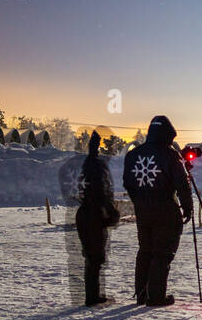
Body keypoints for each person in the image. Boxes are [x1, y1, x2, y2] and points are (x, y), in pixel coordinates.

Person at [122, 115, 193, 306]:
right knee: (162, 253)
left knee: (145, 251)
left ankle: (142, 294)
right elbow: (181, 184)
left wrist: (139, 200)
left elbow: (127, 182)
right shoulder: (170, 155)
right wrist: (187, 206)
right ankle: (156, 296)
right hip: (166, 210)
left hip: (143, 212)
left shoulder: (133, 154)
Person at [76, 131, 120, 307]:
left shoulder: (86, 166)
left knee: (92, 257)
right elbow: (102, 194)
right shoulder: (96, 168)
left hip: (86, 214)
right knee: (95, 257)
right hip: (93, 216)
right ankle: (92, 296)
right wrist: (111, 213)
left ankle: (93, 294)